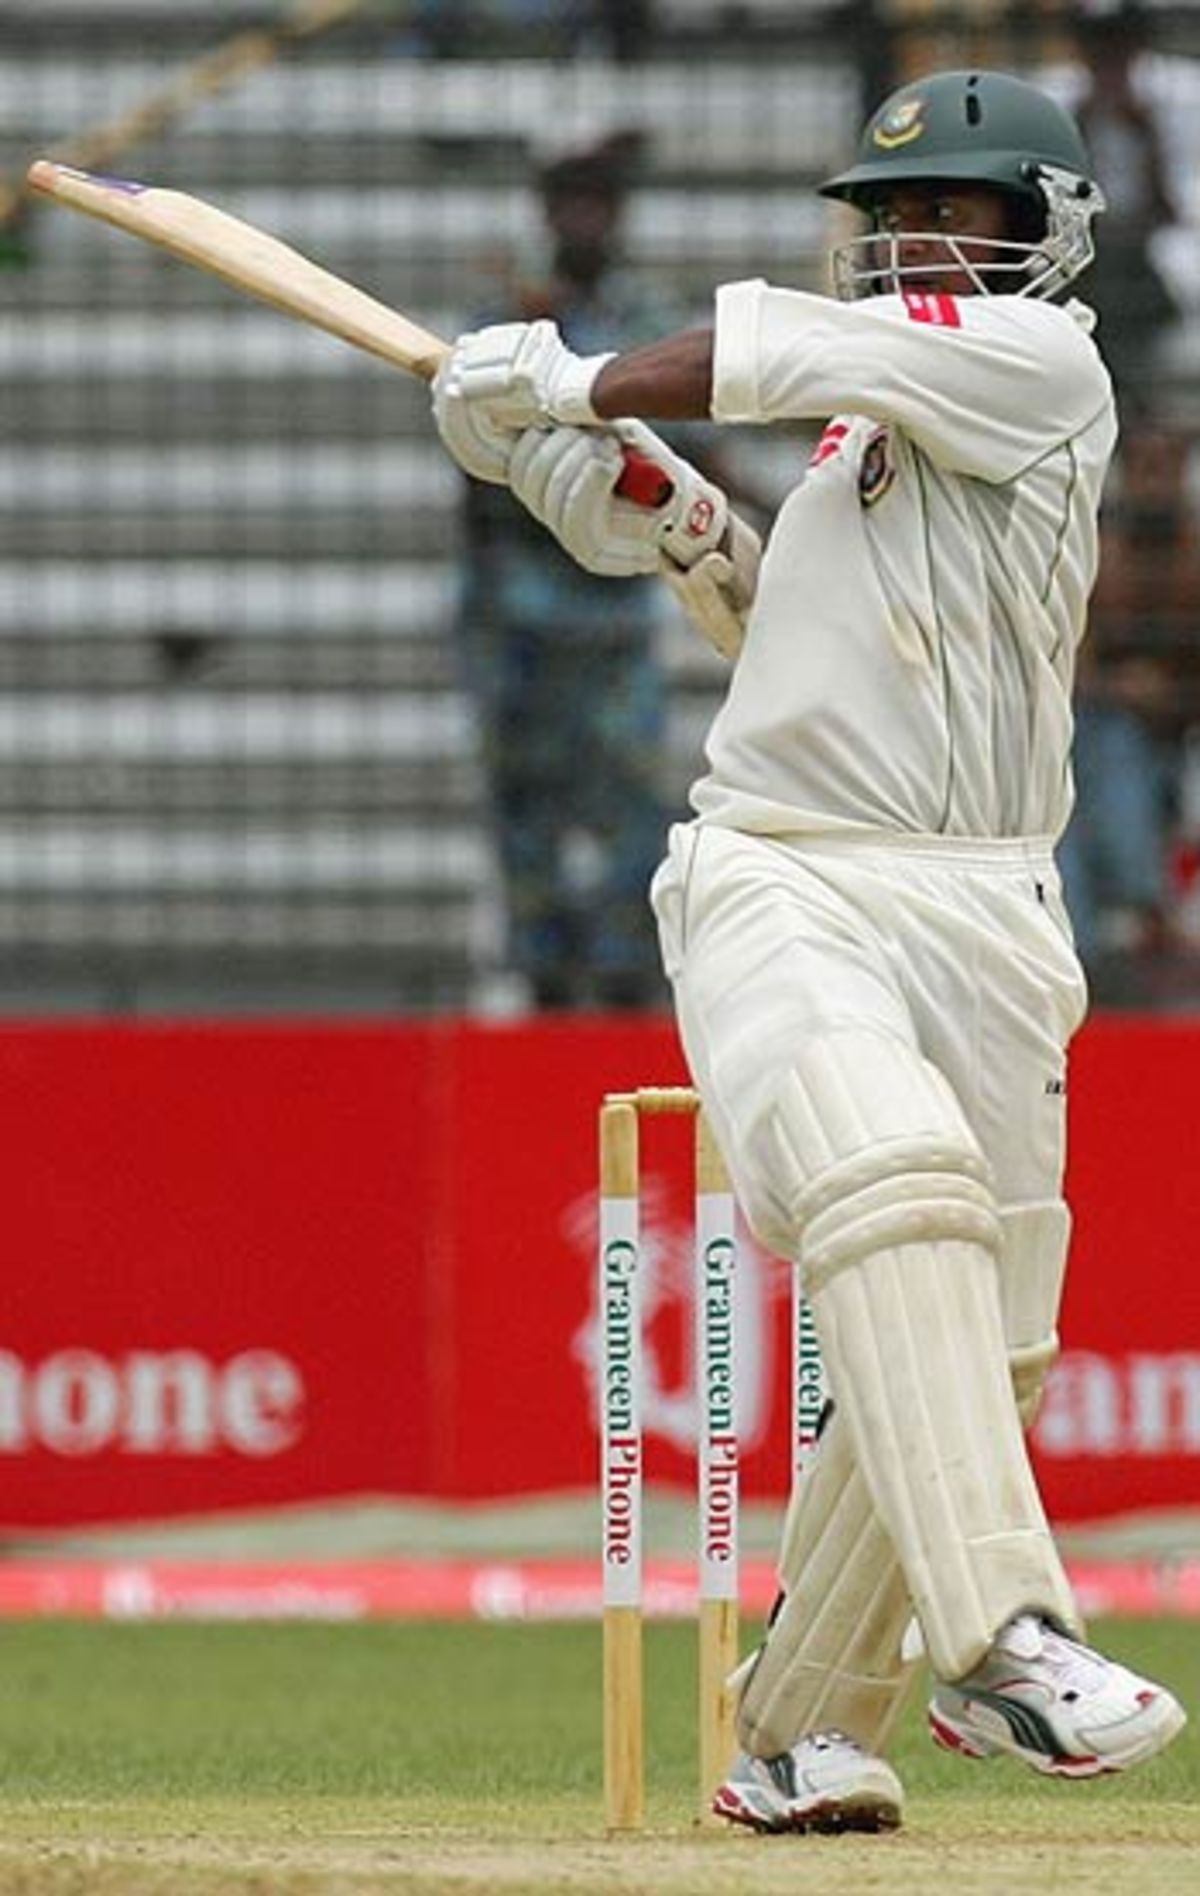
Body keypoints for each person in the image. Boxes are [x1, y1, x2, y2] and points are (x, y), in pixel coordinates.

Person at [432, 68, 1187, 1831]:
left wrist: (561, 376)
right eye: (899, 216)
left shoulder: (1037, 369)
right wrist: (679, 522)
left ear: (1048, 232)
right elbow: (816, 642)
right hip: (784, 874)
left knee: (987, 1326)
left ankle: (793, 1734)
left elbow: (776, 355)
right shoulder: (874, 428)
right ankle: (1006, 1629)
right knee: (892, 1175)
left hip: (993, 902)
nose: (921, 239)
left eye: (962, 212)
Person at [449, 131, 697, 1011]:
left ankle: (626, 970)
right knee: (526, 803)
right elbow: (473, 450)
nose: (585, 218)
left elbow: (682, 450)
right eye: (570, 201)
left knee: (634, 797)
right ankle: (545, 973)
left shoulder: (648, 320)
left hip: (613, 606)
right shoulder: (508, 320)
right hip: (517, 605)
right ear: (548, 213)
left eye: (600, 201)